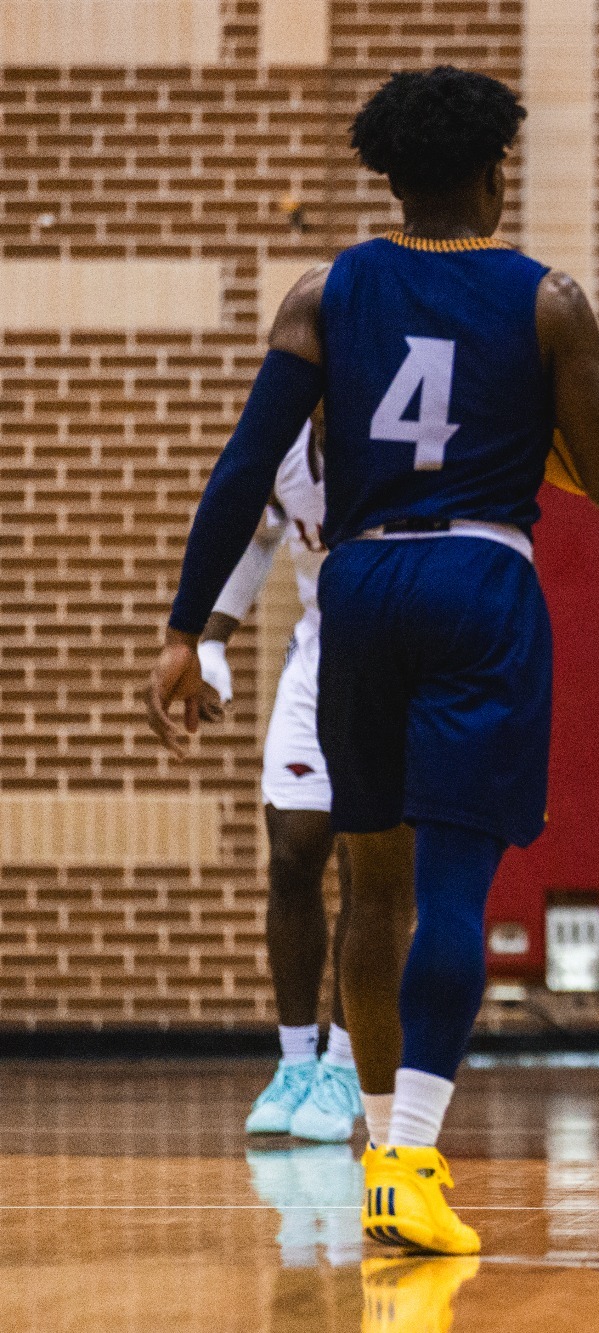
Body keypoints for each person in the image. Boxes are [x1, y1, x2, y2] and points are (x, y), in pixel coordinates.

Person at [145, 65, 599, 1255]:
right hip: (479, 580)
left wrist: (184, 629)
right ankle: (415, 1159)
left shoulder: (324, 292)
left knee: (370, 885)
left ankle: (382, 1153)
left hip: (359, 583)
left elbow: (244, 466)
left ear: (388, 176)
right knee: (452, 889)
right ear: (494, 173)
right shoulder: (550, 302)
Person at [195, 420, 363, 1140]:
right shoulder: (288, 440)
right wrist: (211, 638)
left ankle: (348, 1070)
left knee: (369, 866)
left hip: (393, 657)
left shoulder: (396, 430)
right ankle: (296, 1064)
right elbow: (259, 532)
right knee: (292, 852)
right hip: (319, 654)